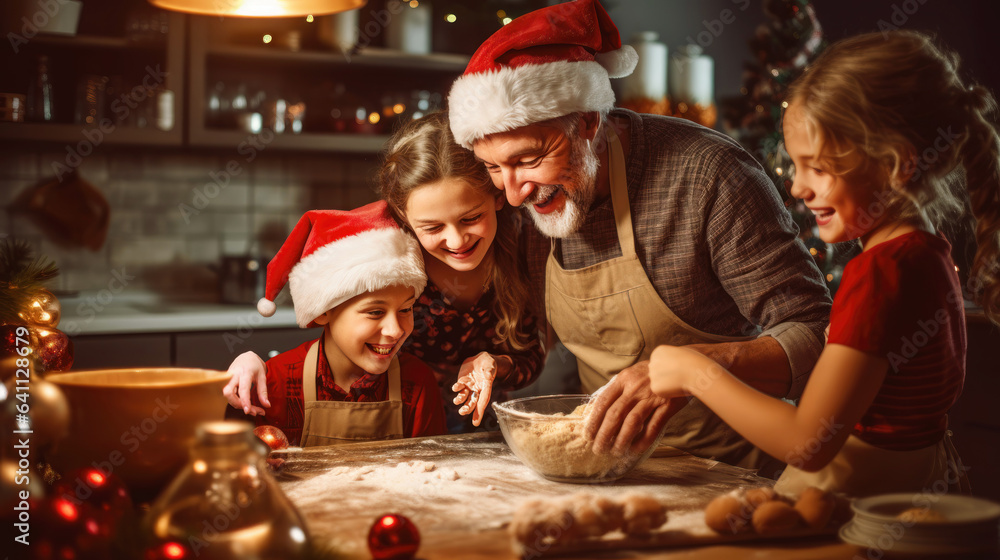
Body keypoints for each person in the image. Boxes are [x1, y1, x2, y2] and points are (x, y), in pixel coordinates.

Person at [446, 0, 832, 474]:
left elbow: (816, 333)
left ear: (589, 122)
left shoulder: (708, 177)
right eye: (492, 168)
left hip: (737, 474)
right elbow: (531, 341)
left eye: (528, 160)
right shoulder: (529, 205)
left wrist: (694, 369)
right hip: (610, 472)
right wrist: (498, 363)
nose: (512, 193)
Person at [649, 30, 998, 497]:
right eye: (795, 167)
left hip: (861, 501)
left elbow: (807, 442)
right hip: (914, 487)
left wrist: (696, 372)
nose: (797, 188)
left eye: (818, 167)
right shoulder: (926, 251)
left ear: (895, 165)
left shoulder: (881, 272)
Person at [224, 113, 545, 434]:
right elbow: (343, 338)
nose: (456, 240)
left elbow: (531, 355)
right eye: (433, 227)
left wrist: (495, 364)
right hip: (398, 426)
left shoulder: (524, 246)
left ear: (498, 197)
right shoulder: (388, 256)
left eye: (471, 218)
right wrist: (259, 366)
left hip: (485, 429)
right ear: (404, 214)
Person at [224, 201, 447, 446]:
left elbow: (430, 473)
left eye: (405, 309)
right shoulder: (272, 384)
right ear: (322, 312)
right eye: (374, 312)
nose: (395, 330)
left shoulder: (417, 383)